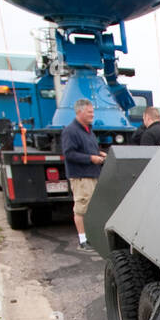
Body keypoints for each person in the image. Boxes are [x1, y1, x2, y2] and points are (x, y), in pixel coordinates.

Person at [60, 98, 106, 249]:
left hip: (93, 174)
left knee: (93, 207)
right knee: (82, 208)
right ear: (79, 112)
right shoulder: (70, 131)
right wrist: (90, 158)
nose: (92, 115)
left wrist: (99, 153)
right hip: (81, 176)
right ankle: (83, 240)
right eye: (89, 112)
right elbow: (69, 153)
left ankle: (92, 237)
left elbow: (86, 149)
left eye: (92, 112)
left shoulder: (88, 131)